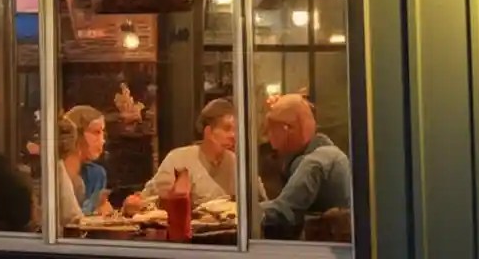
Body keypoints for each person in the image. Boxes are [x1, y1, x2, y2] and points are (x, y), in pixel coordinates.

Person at [124, 98, 240, 212]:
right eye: (227, 129)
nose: (233, 135)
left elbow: (257, 197)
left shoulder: (236, 162)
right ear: (208, 132)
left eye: (236, 130)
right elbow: (148, 199)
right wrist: (135, 203)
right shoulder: (179, 159)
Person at [260, 94, 351, 237]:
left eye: (271, 129)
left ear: (287, 129)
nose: (267, 137)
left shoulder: (315, 162)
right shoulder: (325, 155)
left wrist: (239, 211)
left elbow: (283, 213)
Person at [62, 105, 113, 216]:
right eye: (96, 132)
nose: (102, 140)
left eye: (103, 133)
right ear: (77, 134)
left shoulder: (97, 174)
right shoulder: (57, 175)